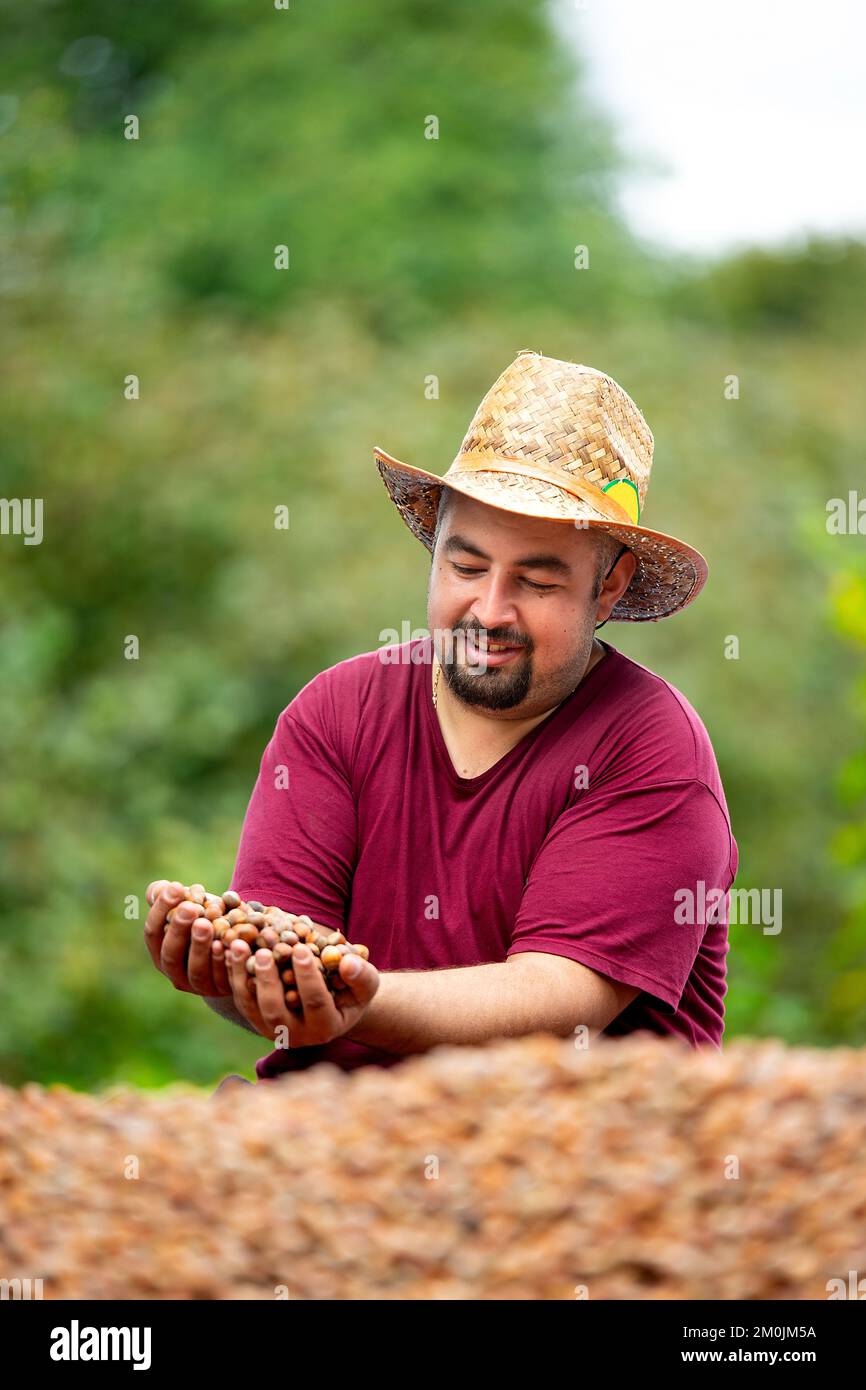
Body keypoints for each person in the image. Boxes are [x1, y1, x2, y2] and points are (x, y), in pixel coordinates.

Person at [144, 350, 737, 1084]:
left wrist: (363, 1000)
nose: (489, 611)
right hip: (331, 1143)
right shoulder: (335, 713)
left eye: (537, 580)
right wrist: (231, 971)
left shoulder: (650, 745)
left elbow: (562, 997)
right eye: (466, 567)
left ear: (609, 587)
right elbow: (281, 965)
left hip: (573, 1163)